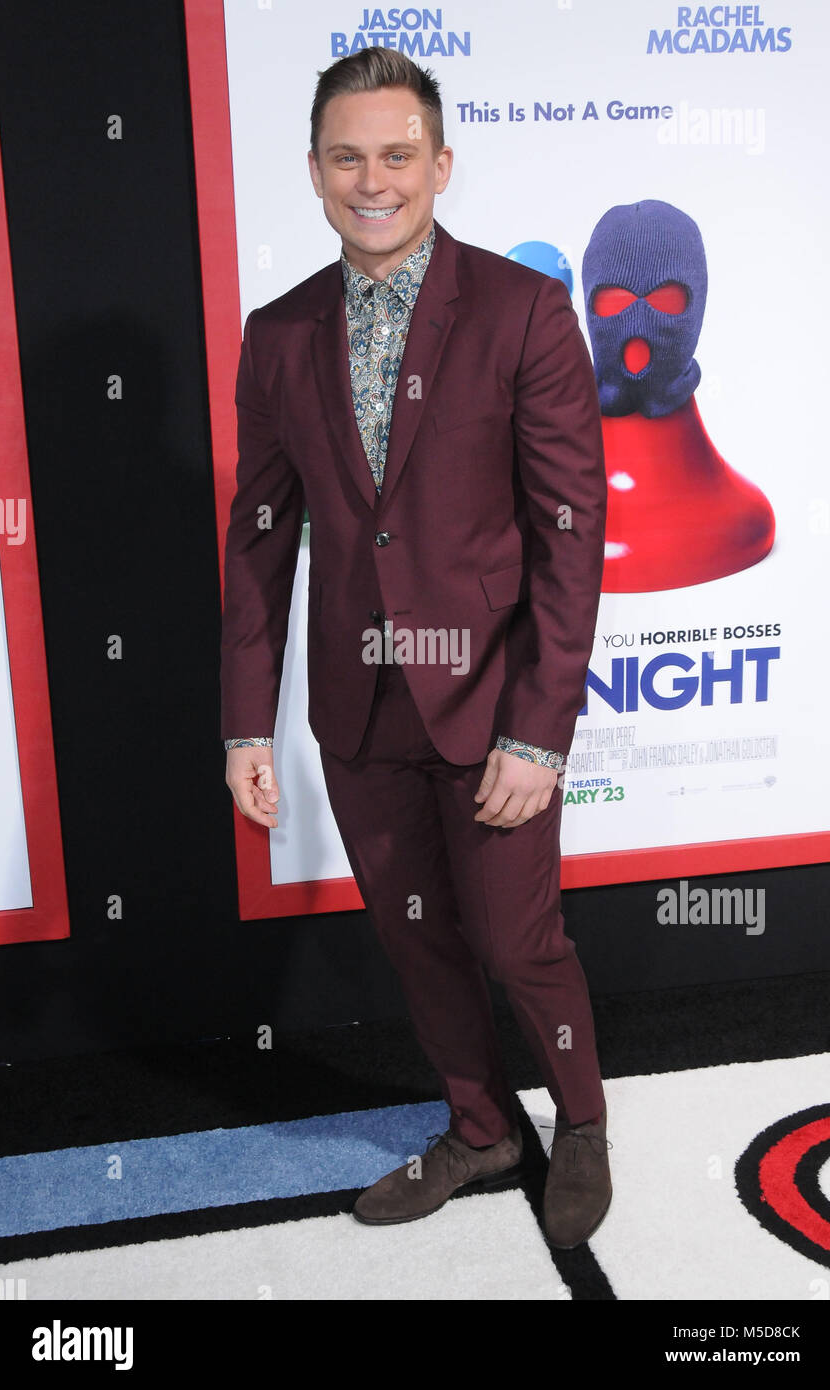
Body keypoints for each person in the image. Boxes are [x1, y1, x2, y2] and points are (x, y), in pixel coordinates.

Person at [220, 47, 611, 1248]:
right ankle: (478, 1123)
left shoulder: (521, 309)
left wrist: (539, 730)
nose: (372, 180)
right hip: (360, 707)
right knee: (415, 935)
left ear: (439, 165)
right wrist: (245, 718)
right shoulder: (278, 333)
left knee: (511, 936)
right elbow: (261, 537)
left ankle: (583, 1122)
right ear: (314, 171)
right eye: (348, 157)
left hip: (492, 695)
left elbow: (569, 530)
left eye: (397, 154)